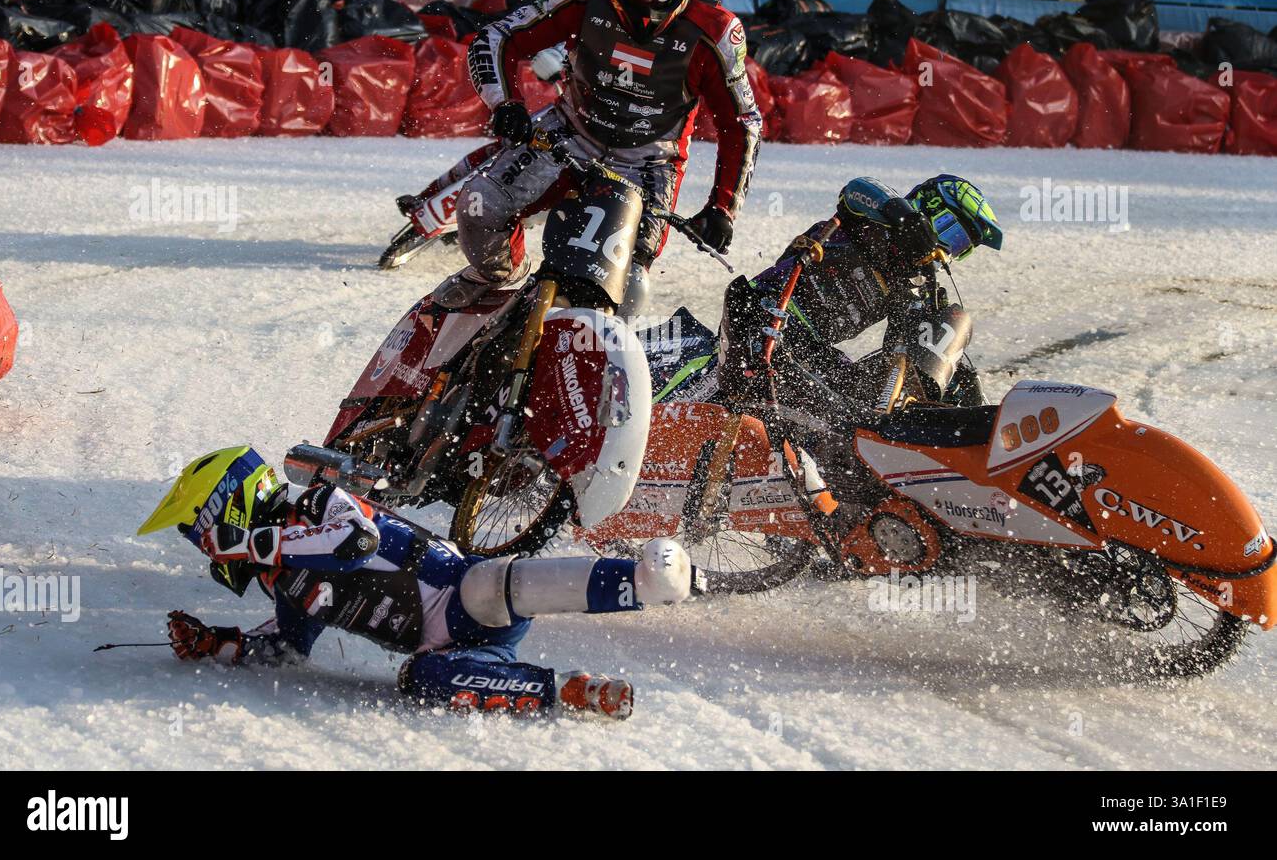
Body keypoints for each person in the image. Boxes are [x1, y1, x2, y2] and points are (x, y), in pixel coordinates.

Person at [138, 446, 702, 719]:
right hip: (452, 651)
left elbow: (353, 540)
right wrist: (217, 644)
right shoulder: (283, 585)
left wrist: (258, 544)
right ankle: (567, 690)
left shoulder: (312, 503)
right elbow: (286, 648)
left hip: (469, 596)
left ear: (226, 508)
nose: (202, 546)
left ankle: (641, 581)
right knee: (419, 678)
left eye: (199, 530)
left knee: (488, 583)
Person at [433, 0, 762, 314]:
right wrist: (506, 104)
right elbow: (499, 37)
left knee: (629, 288)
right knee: (478, 207)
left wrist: (723, 207)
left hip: (649, 162)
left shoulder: (715, 32)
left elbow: (742, 122)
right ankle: (502, 287)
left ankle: (587, 360)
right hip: (567, 132)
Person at [717, 174, 1004, 403]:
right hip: (760, 313)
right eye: (952, 234)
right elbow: (855, 190)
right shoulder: (877, 219)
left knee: (855, 398)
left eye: (960, 248)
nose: (948, 251)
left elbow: (897, 358)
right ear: (930, 209)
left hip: (807, 349)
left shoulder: (909, 285)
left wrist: (929, 322)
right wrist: (905, 219)